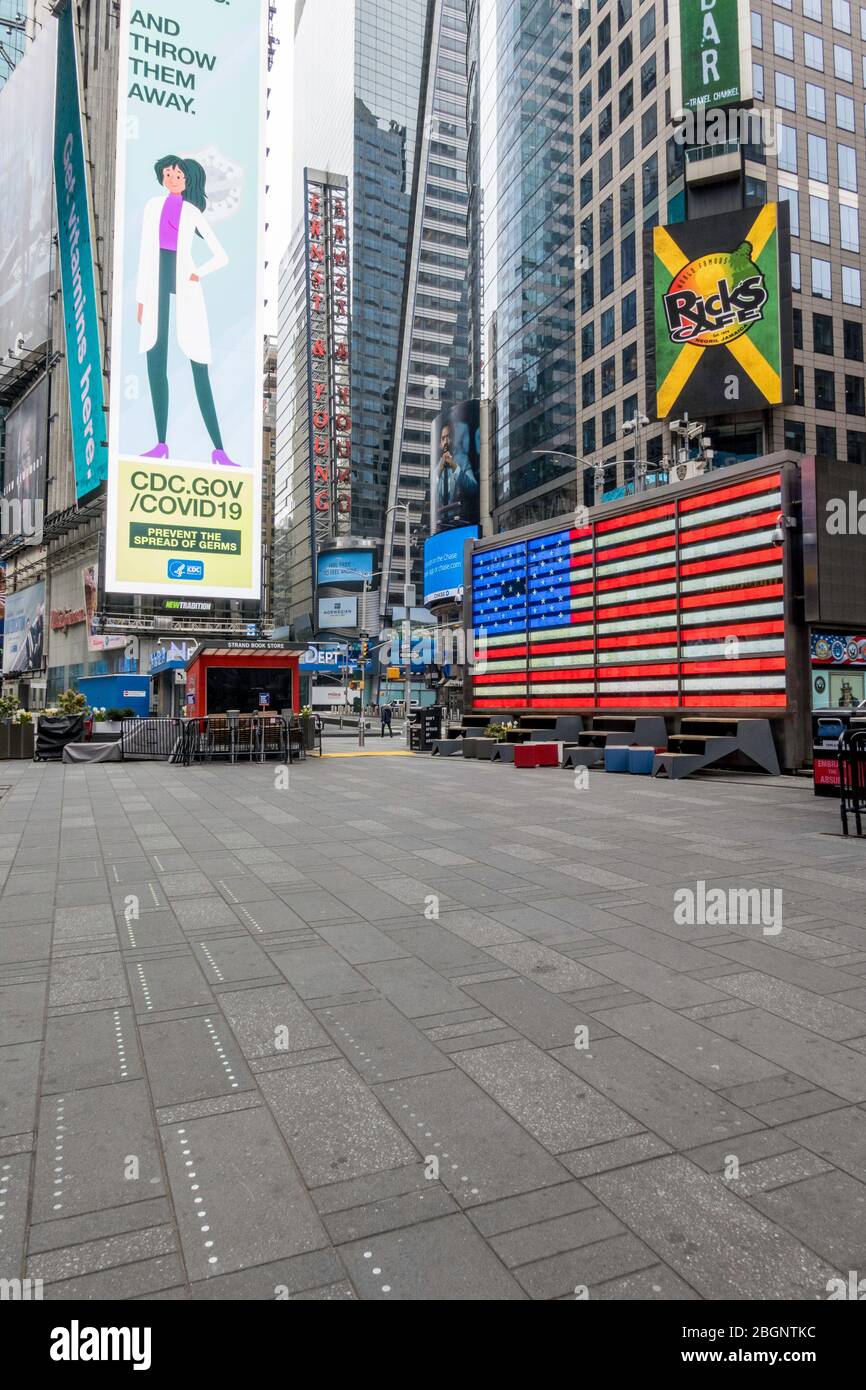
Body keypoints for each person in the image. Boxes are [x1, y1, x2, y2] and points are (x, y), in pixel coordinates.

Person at [136, 155, 237, 467]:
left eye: (177, 173)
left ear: (186, 178)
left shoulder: (192, 212)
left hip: (185, 286)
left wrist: (198, 273)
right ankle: (161, 444)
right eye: (167, 173)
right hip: (156, 287)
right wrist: (141, 299)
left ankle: (219, 450)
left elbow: (221, 255)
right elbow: (145, 252)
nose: (172, 177)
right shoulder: (152, 206)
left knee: (198, 365)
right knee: (156, 361)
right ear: (162, 178)